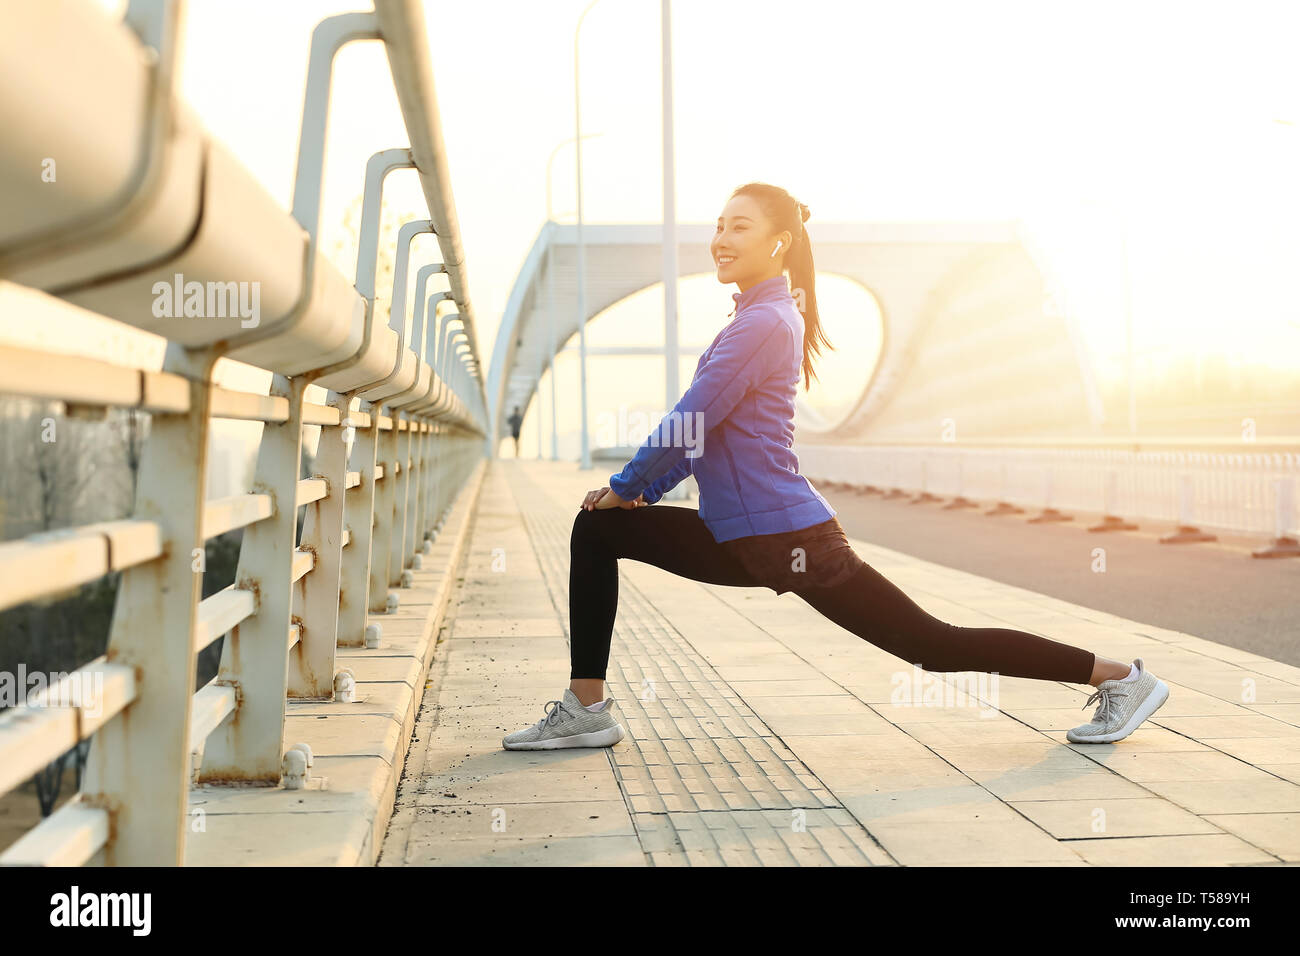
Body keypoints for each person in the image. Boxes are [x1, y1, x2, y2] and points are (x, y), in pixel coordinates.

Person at [503, 182, 1169, 752]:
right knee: (597, 530)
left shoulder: (762, 323)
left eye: (739, 225)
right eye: (718, 225)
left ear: (779, 243)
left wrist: (626, 487)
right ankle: (586, 709)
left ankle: (1119, 677)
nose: (720, 237)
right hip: (741, 535)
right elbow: (698, 432)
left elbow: (691, 417)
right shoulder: (756, 319)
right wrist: (634, 495)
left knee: (935, 646)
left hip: (787, 539)